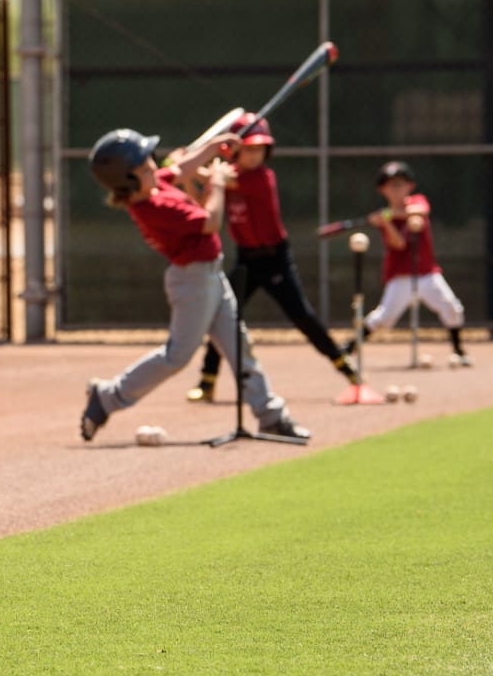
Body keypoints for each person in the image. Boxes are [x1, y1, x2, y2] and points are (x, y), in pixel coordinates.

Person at [78, 128, 308, 443]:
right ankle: (108, 396)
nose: (153, 170)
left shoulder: (151, 188)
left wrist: (212, 148)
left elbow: (181, 169)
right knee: (177, 356)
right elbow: (211, 221)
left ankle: (271, 416)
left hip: (210, 274)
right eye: (144, 168)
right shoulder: (154, 207)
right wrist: (216, 183)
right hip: (192, 281)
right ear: (127, 180)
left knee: (239, 345)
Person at [179, 114, 361, 401]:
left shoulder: (262, 178)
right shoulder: (225, 178)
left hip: (275, 258)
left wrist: (187, 164)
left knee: (301, 315)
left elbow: (217, 180)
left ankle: (346, 369)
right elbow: (203, 204)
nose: (255, 155)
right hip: (246, 260)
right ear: (235, 150)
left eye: (260, 149)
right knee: (222, 316)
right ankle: (207, 380)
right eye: (249, 149)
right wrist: (188, 175)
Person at [356, 161, 471, 367]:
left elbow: (420, 212)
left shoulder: (417, 202)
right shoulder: (386, 219)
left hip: (426, 272)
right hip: (400, 275)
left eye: (400, 184)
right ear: (382, 190)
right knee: (384, 318)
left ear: (410, 186)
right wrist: (386, 222)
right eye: (391, 185)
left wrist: (386, 215)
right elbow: (398, 244)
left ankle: (458, 349)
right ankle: (349, 348)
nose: (396, 189)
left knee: (451, 307)